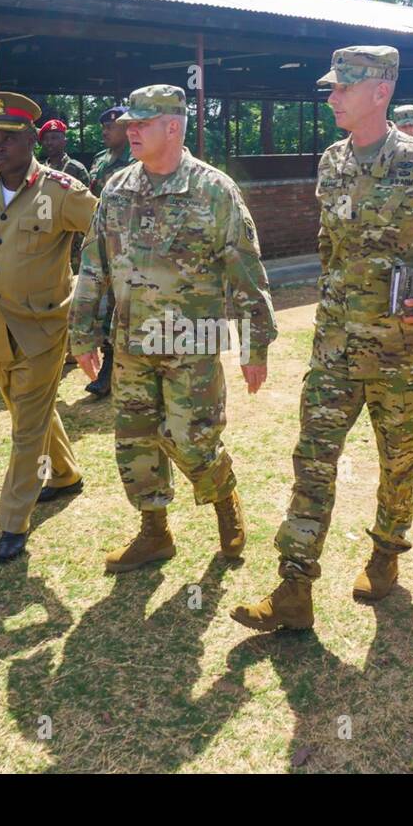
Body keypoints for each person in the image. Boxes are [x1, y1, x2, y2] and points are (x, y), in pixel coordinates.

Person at [230, 46, 413, 632]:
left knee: (397, 463)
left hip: (404, 353)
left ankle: (385, 555)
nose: (332, 98)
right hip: (335, 349)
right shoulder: (332, 162)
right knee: (313, 461)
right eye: (331, 88)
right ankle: (293, 587)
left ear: (381, 92)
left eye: (343, 88)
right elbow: (330, 246)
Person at [69, 84, 277, 574]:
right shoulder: (117, 189)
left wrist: (255, 345)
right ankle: (154, 533)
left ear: (173, 127)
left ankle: (224, 498)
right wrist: (81, 334)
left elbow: (245, 271)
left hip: (192, 342)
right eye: (129, 123)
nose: (131, 131)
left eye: (142, 123)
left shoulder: (214, 190)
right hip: (132, 343)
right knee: (136, 441)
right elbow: (93, 265)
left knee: (191, 439)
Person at [0, 92, 98, 563]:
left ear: (33, 137)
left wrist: (94, 296)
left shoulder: (62, 191)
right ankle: (65, 474)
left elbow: (109, 233)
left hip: (45, 327)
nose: (0, 146)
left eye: (10, 137)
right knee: (27, 411)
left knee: (25, 427)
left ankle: (13, 521)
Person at [80, 105, 136, 396]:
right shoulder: (101, 160)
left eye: (110, 127)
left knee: (118, 308)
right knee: (104, 305)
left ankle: (111, 371)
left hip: (127, 247)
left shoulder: (137, 159)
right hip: (101, 241)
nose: (104, 131)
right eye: (103, 126)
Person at [39, 119, 90, 185]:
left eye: (54, 138)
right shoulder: (40, 169)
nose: (49, 142)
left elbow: (85, 194)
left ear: (64, 142)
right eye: (45, 139)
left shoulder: (76, 169)